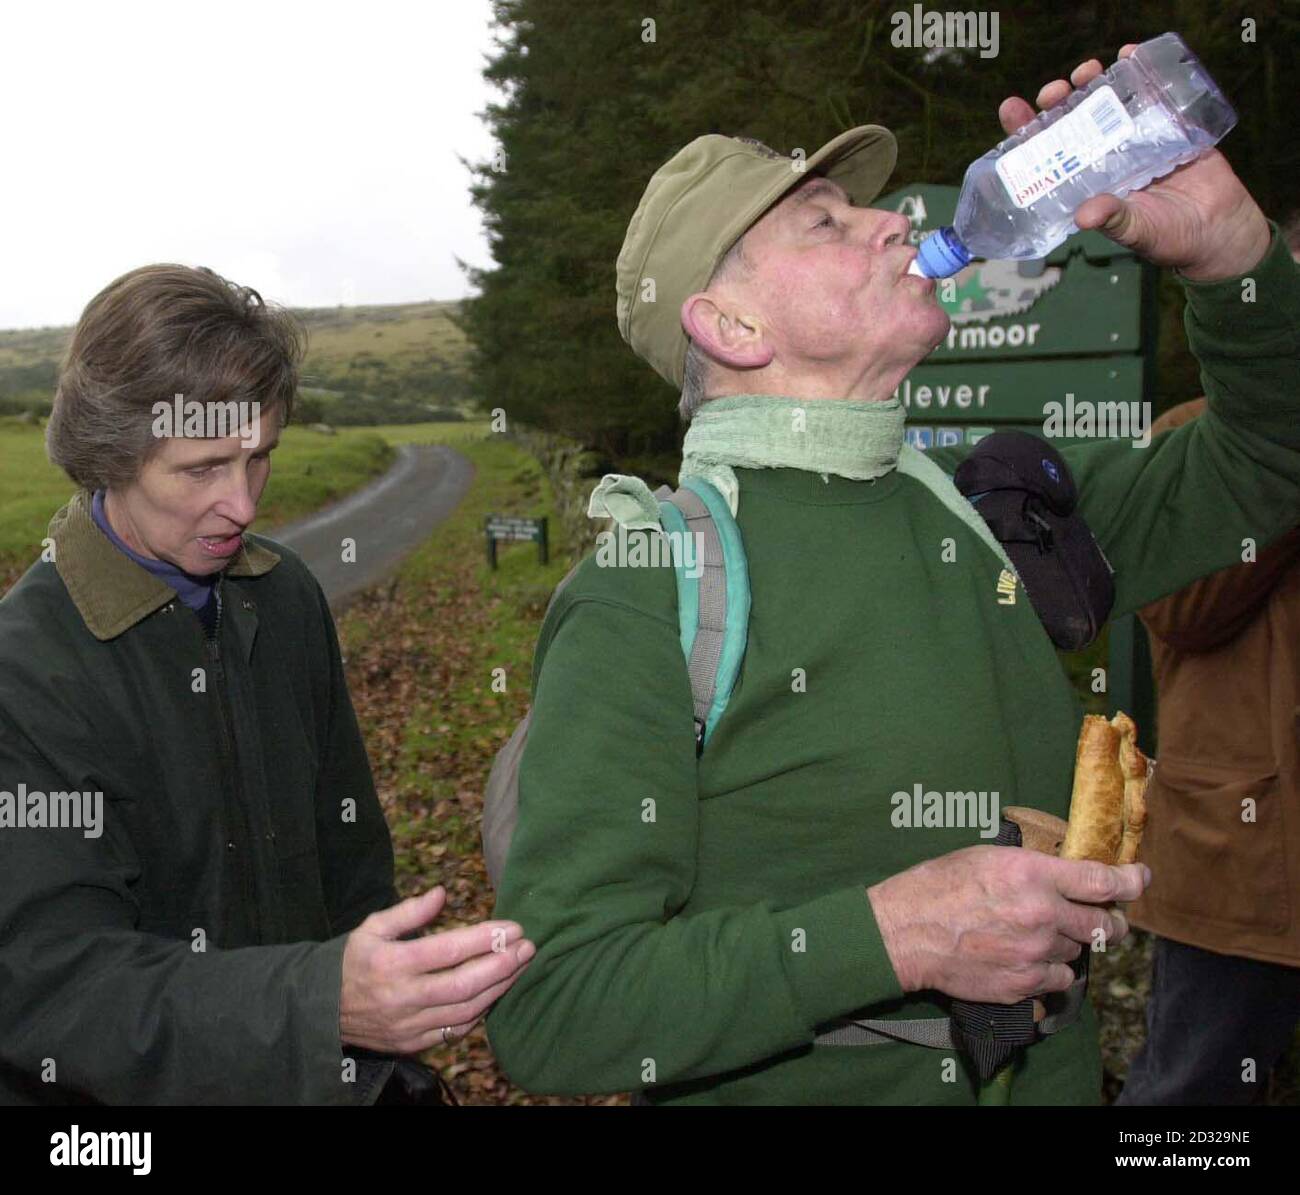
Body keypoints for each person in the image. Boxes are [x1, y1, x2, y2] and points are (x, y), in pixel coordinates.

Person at [485, 48, 1300, 1104]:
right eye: (826, 221)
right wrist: (891, 937)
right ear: (729, 327)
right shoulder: (651, 585)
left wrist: (1233, 260)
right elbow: (556, 1011)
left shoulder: (1000, 513)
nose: (892, 224)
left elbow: (1268, 459)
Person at [0, 265, 534, 1105]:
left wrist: (380, 1054)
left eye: (261, 458)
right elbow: (57, 990)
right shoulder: (25, 671)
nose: (243, 503)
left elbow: (351, 855)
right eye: (203, 468)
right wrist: (321, 1005)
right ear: (111, 453)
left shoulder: (282, 595)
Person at [1119, 214, 1300, 1105]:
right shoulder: (1190, 438)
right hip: (1240, 864)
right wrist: (1283, 472)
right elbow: (1180, 610)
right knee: (1192, 1108)